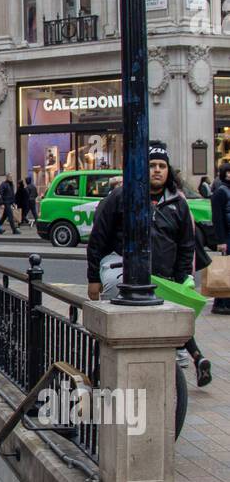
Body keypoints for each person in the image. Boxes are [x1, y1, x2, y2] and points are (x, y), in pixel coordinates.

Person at [87, 142, 198, 423]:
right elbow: (98, 236)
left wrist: (184, 278)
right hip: (121, 271)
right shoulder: (121, 196)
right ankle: (107, 363)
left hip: (164, 282)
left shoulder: (177, 204)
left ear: (168, 170)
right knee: (122, 318)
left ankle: (173, 367)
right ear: (141, 168)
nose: (157, 171)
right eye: (151, 166)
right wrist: (92, 279)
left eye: (161, 166)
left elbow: (186, 246)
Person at [211, 161, 230, 315]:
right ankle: (221, 303)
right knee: (225, 269)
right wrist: (221, 241)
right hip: (227, 236)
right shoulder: (221, 192)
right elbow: (217, 219)